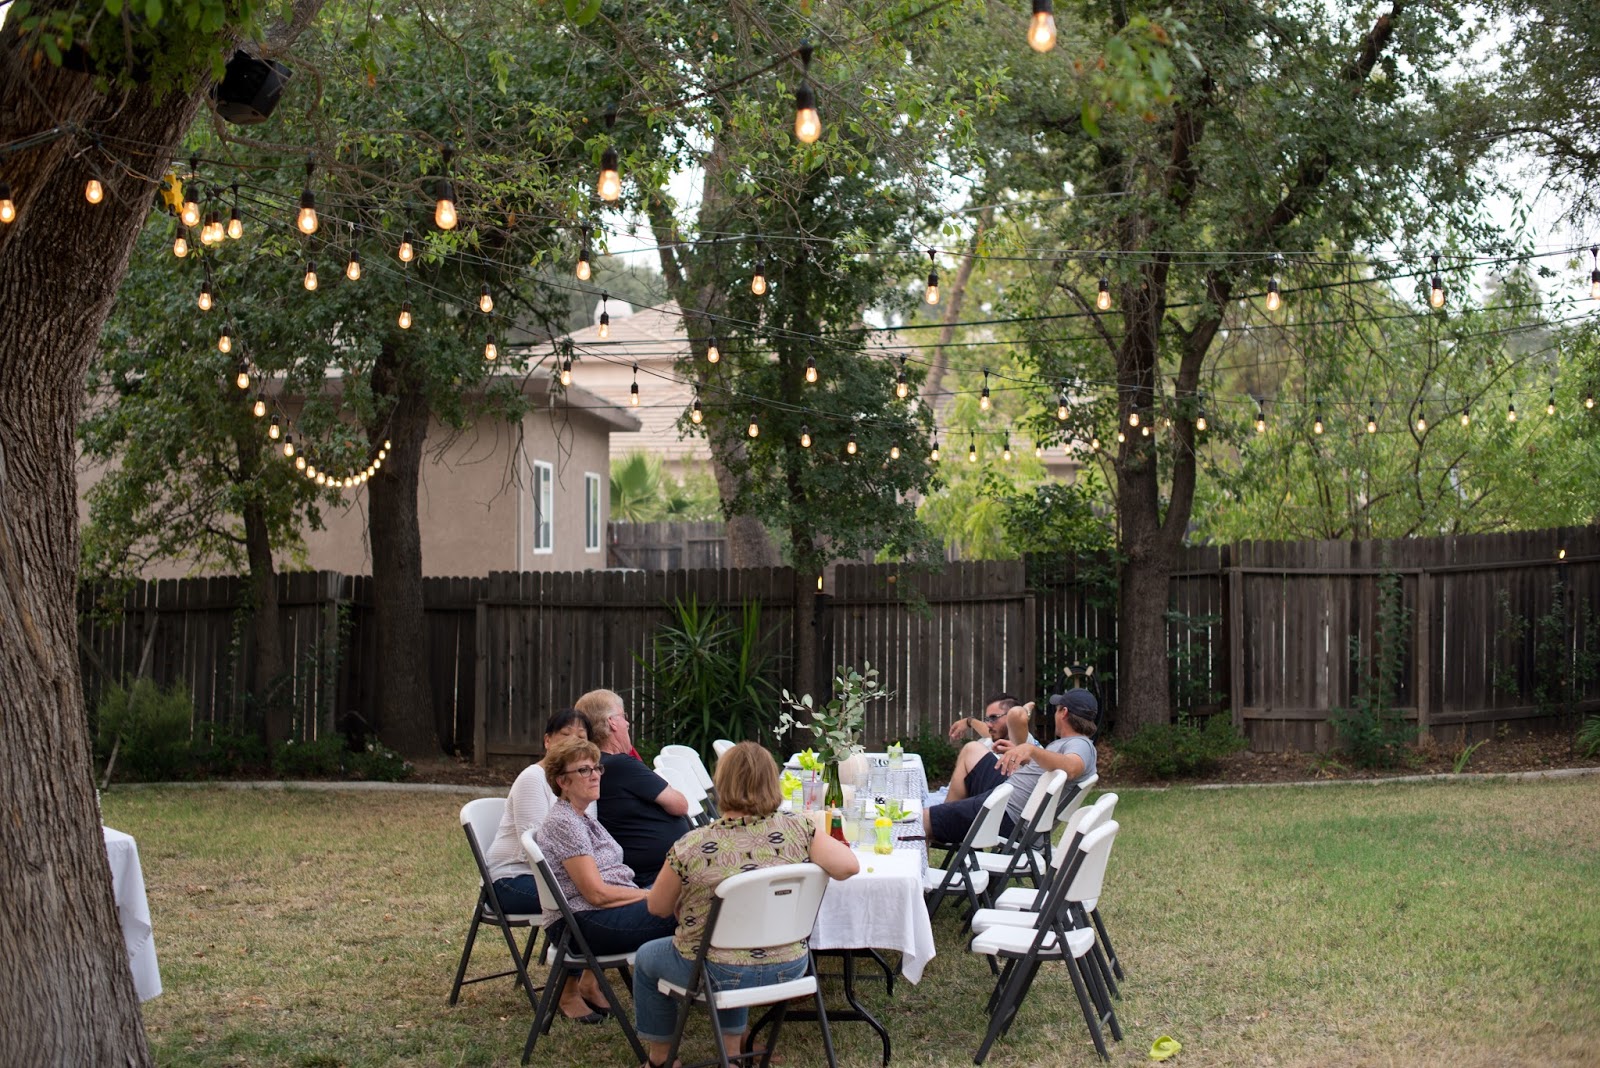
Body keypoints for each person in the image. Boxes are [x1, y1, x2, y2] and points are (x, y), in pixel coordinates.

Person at [633, 742, 859, 1068]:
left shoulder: (691, 845)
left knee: (648, 957)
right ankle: (733, 1055)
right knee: (732, 945)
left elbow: (657, 907)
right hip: (790, 966)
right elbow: (848, 866)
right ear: (772, 782)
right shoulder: (799, 829)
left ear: (721, 783)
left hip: (718, 972)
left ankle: (661, 1060)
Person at [534, 736, 679, 1024]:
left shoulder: (583, 816)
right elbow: (596, 894)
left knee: (689, 898)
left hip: (603, 914)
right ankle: (699, 992)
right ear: (562, 781)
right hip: (583, 924)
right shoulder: (565, 822)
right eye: (584, 770)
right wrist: (649, 896)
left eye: (596, 768)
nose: (595, 775)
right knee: (694, 911)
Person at [924, 690, 1094, 847]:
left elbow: (1072, 767)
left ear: (1064, 712)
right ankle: (947, 814)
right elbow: (1053, 770)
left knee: (920, 821)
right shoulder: (1069, 743)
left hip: (1006, 815)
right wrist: (1028, 759)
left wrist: (1032, 750)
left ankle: (941, 823)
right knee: (972, 750)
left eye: (1056, 710)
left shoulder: (1081, 744)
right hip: (1007, 801)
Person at [577, 688, 691, 881]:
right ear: (612, 722)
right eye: (624, 716)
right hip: (659, 877)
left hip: (654, 871)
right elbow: (680, 804)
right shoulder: (620, 765)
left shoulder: (593, 766)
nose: (628, 723)